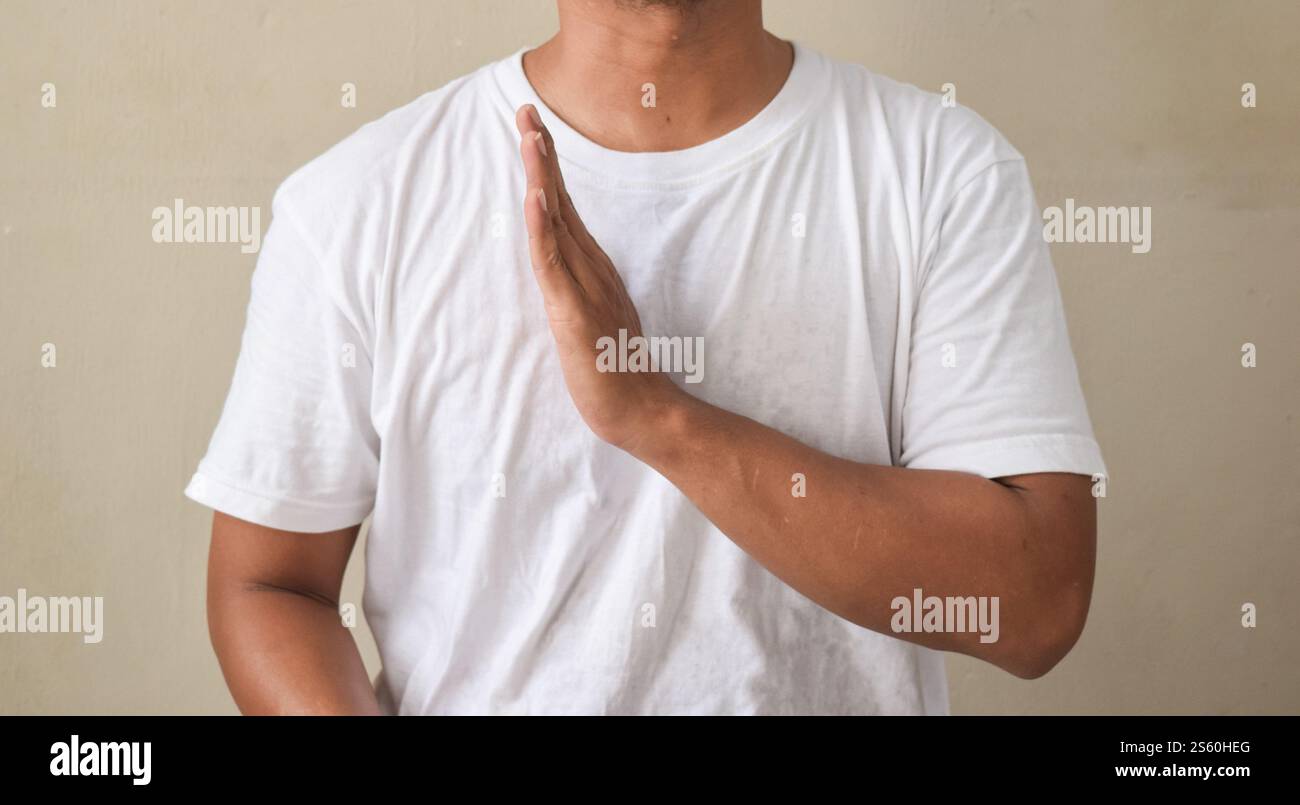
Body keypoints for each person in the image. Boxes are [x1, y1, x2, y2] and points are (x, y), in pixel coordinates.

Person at [189, 0, 1106, 715]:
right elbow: (269, 583)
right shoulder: (357, 203)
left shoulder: (944, 176)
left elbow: (1036, 602)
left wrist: (658, 417)